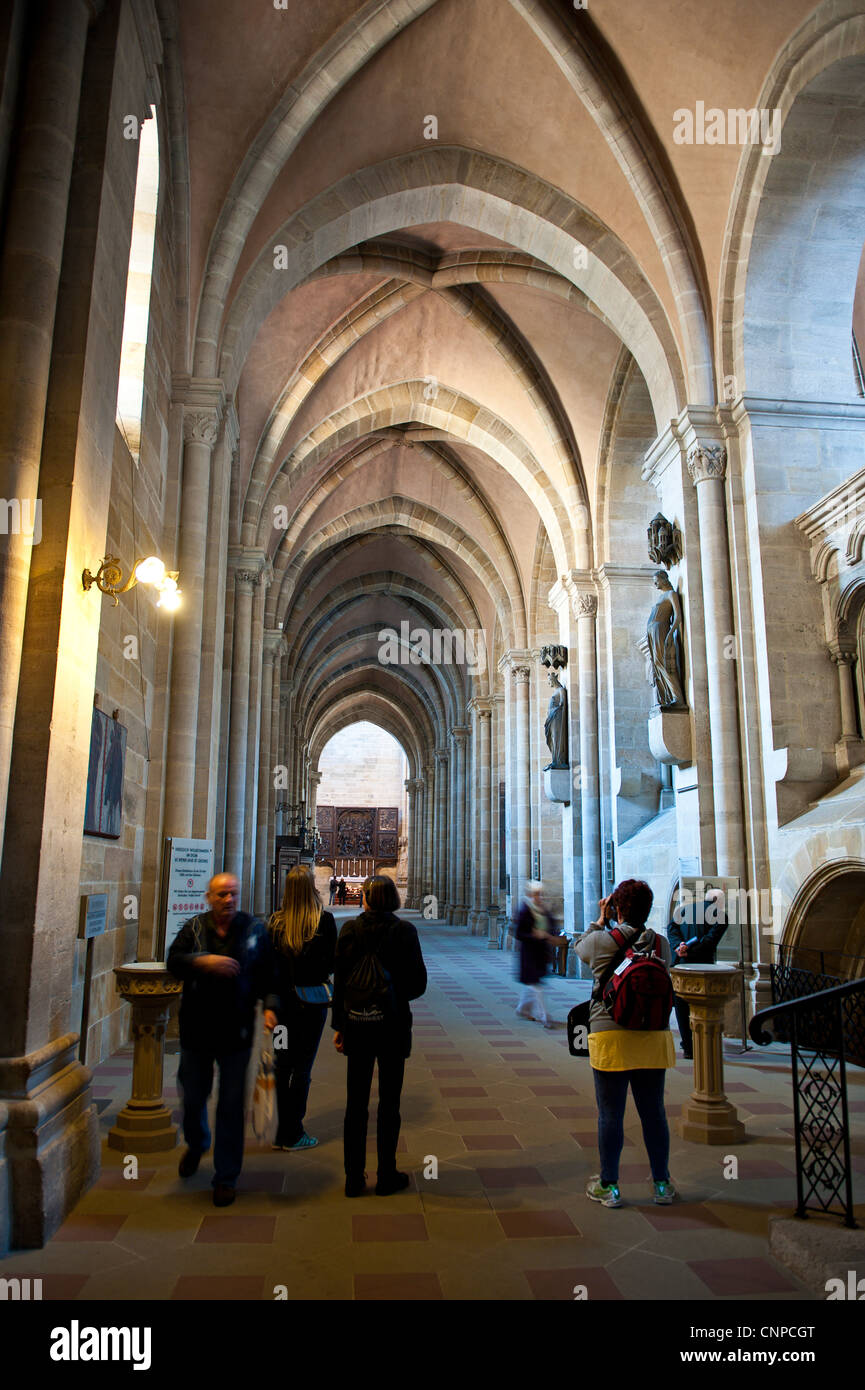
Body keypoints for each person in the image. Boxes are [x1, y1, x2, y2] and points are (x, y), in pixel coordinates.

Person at [167, 872, 268, 1207]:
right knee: (193, 1095)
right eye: (222, 894)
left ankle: (226, 1177)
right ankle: (197, 1142)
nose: (229, 900)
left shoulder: (253, 929)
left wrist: (272, 1007)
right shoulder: (194, 929)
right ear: (209, 897)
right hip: (197, 1029)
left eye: (234, 894)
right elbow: (174, 963)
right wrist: (203, 961)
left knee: (231, 1103)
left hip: (236, 1030)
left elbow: (270, 972)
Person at [576, 879, 678, 1209]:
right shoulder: (661, 945)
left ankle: (610, 1186)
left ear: (617, 909)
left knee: (610, 1114)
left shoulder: (603, 941)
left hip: (611, 1034)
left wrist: (600, 919)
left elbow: (580, 948)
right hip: (653, 1036)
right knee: (654, 1113)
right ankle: (661, 1185)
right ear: (648, 910)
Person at [331, 874, 427, 1197]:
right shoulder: (405, 932)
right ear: (394, 900)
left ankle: (353, 1179)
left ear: (367, 899)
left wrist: (339, 1026)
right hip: (393, 1025)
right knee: (390, 1103)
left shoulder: (349, 930)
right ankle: (386, 1176)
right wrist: (393, 995)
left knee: (355, 1102)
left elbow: (340, 983)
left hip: (357, 1024)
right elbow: (419, 984)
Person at [263, 865, 337, 1151]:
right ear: (311, 888)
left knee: (282, 1065)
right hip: (311, 1005)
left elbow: (268, 971)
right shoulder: (325, 922)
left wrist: (269, 1005)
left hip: (282, 1009)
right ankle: (294, 1132)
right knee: (303, 1068)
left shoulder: (274, 923)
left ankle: (281, 1130)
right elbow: (331, 964)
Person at [667, 886, 728, 1059]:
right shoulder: (720, 915)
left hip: (680, 964)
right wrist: (691, 950)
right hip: (702, 967)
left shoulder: (685, 909)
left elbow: (671, 929)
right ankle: (703, 1045)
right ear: (718, 901)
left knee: (681, 1005)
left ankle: (687, 1046)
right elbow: (710, 940)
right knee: (702, 1007)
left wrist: (679, 947)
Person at [513, 880, 560, 1028]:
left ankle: (522, 1009)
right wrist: (535, 935)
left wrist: (551, 935)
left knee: (532, 984)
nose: (538, 897)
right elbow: (519, 933)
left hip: (540, 952)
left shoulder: (543, 908)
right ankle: (544, 1016)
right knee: (536, 986)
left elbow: (551, 924)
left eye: (539, 894)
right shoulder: (525, 910)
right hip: (529, 953)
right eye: (535, 894)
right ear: (529, 894)